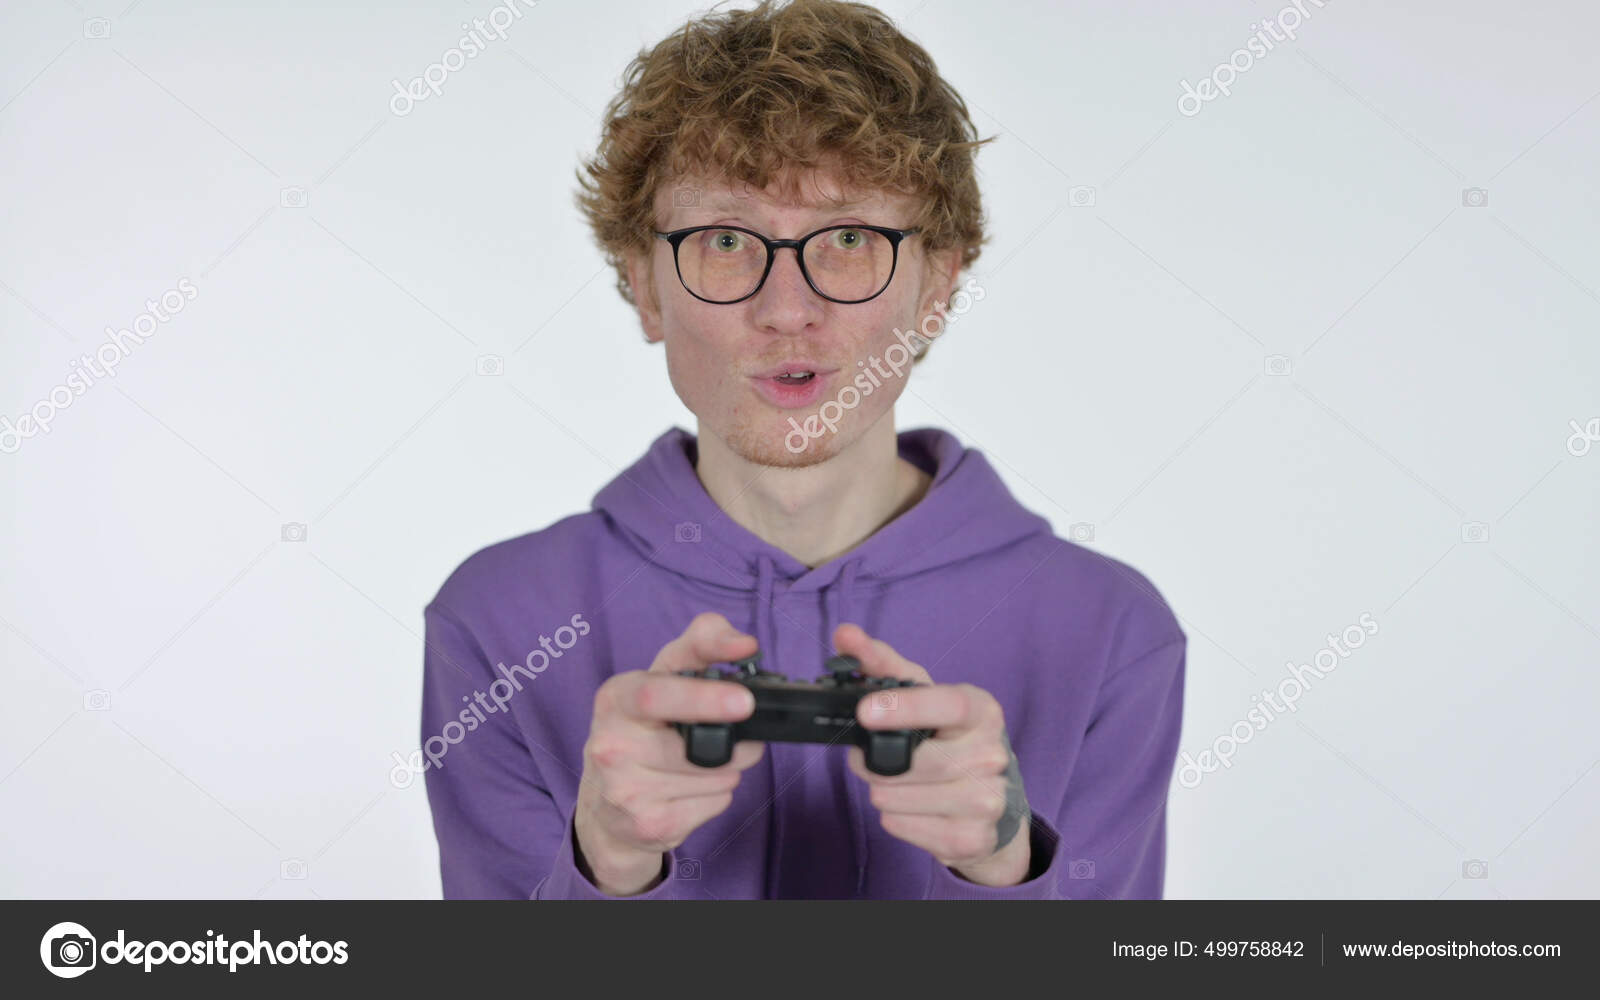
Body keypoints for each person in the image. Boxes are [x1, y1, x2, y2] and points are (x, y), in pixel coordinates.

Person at [420, 0, 1185, 899]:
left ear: (938, 285)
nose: (788, 309)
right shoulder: (501, 622)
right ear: (644, 285)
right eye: (728, 241)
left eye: (853, 238)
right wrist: (610, 865)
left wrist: (1005, 868)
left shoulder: (1109, 631)